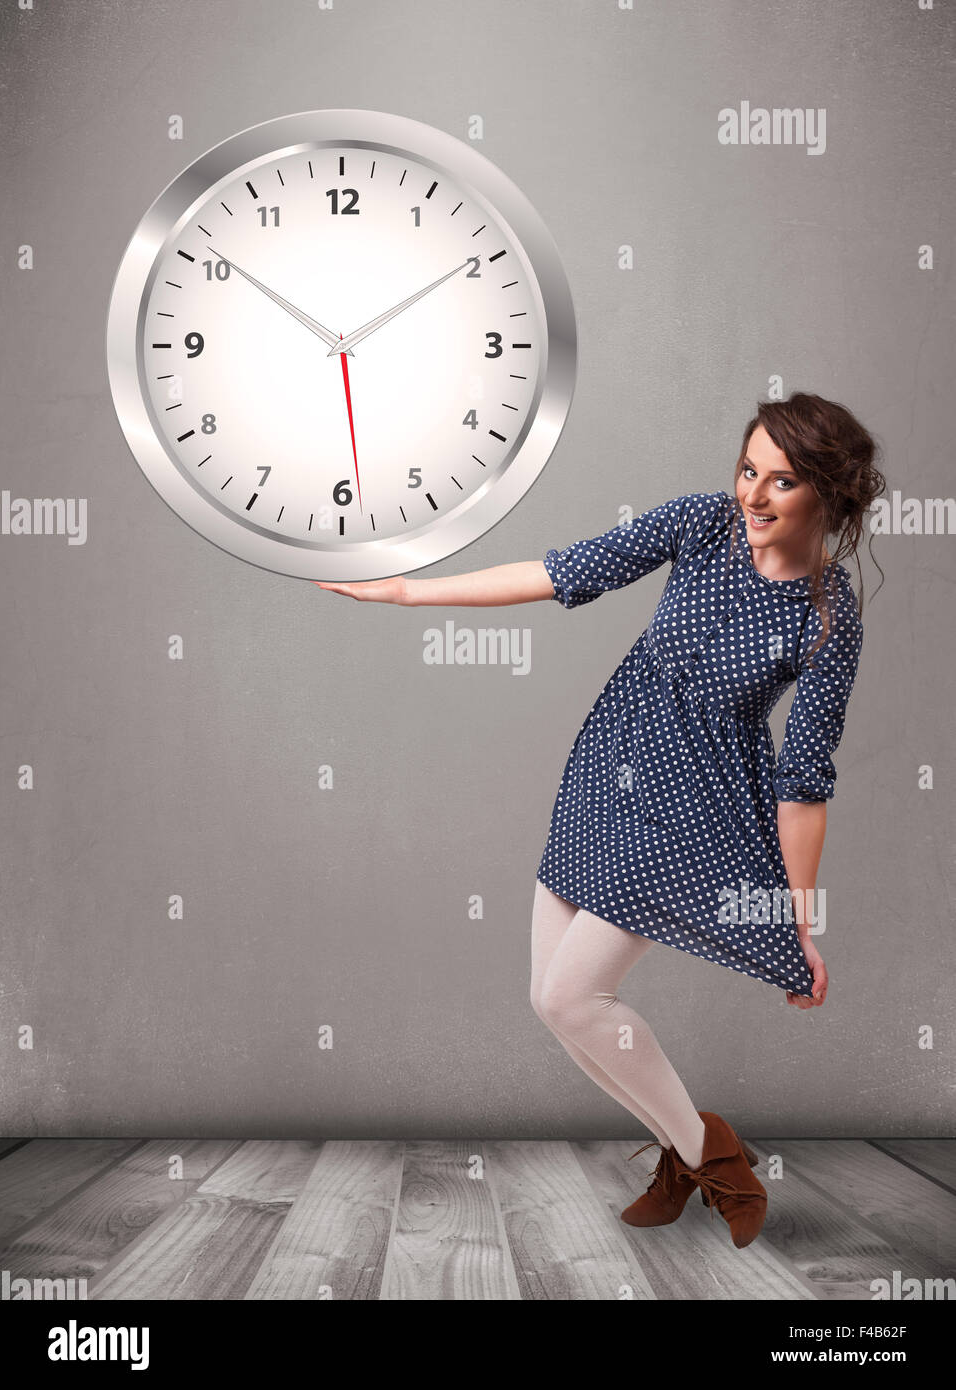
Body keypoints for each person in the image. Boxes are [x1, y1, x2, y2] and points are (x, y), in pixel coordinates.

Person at [314, 391, 885, 1249]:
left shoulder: (828, 616)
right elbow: (562, 572)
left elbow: (803, 782)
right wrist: (407, 594)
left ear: (828, 495)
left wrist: (795, 915)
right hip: (605, 770)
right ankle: (687, 1151)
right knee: (550, 1001)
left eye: (782, 481)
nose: (753, 494)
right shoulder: (701, 525)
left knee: (570, 995)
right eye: (747, 470)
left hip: (691, 812)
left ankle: (713, 1156)